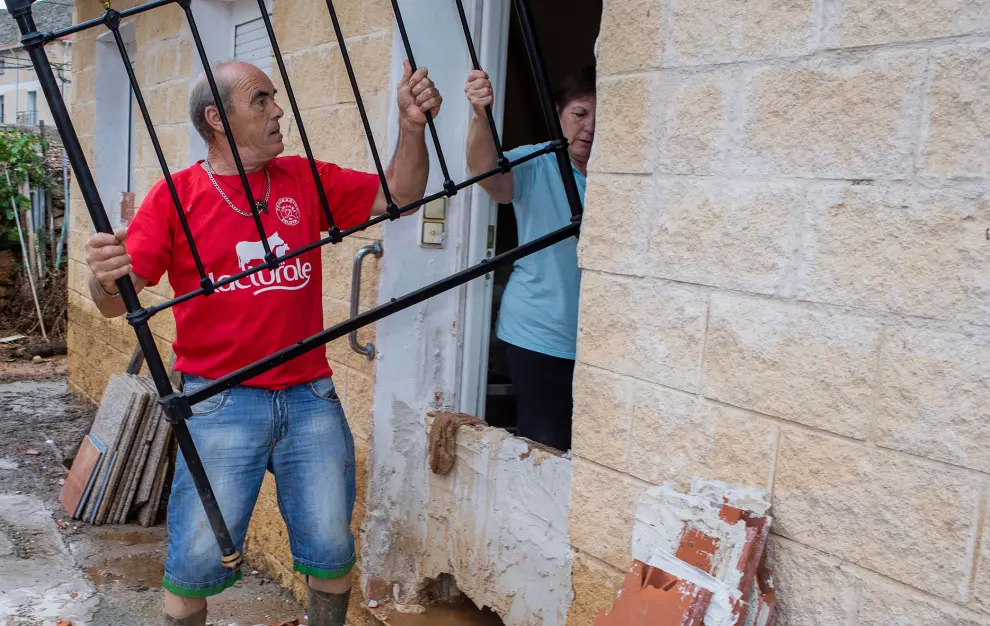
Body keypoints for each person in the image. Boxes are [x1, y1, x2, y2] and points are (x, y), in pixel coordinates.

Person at [83, 60, 442, 626]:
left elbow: (400, 193)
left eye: (274, 98)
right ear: (216, 119)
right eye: (260, 100)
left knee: (330, 552)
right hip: (220, 400)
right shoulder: (175, 197)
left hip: (310, 397)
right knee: (194, 563)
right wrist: (104, 275)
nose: (278, 110)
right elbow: (114, 304)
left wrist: (412, 126)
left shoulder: (302, 179)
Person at [464, 66, 595, 452]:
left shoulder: (624, 176)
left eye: (601, 116)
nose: (590, 127)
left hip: (599, 342)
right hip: (538, 332)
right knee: (544, 444)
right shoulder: (539, 161)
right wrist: (480, 115)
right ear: (558, 114)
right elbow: (489, 176)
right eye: (580, 114)